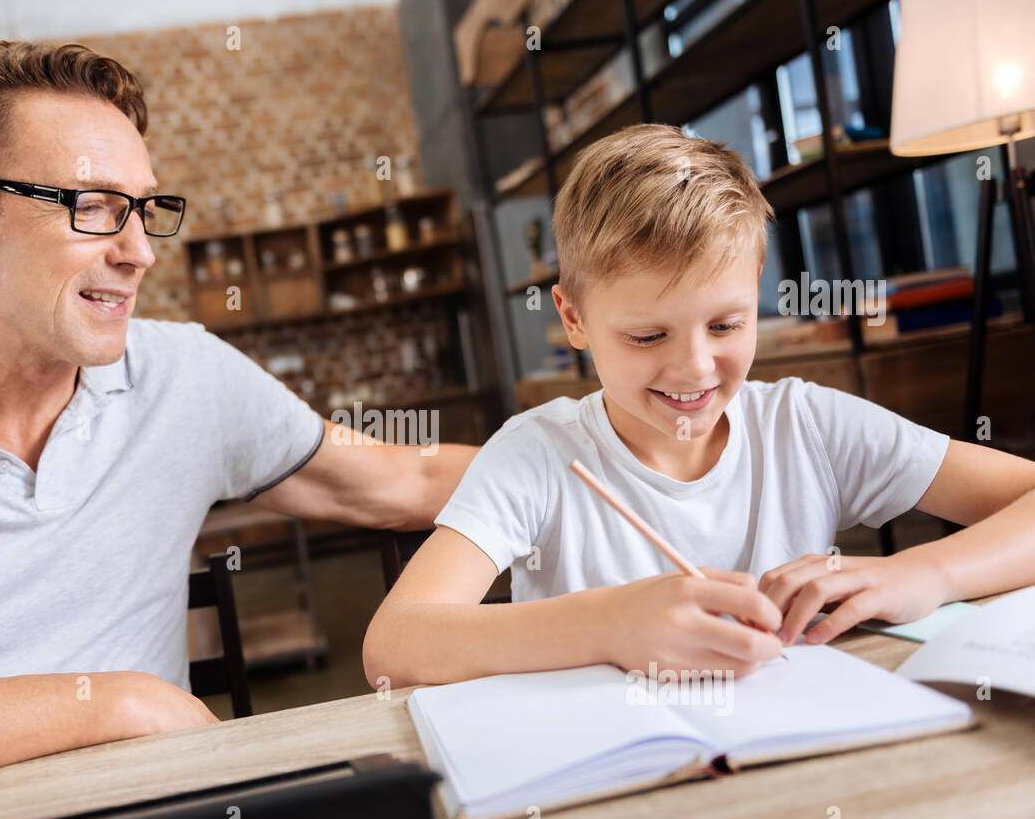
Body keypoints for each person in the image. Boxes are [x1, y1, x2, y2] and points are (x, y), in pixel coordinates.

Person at [0, 41, 475, 819]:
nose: (140, 252)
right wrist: (109, 708)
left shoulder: (185, 376)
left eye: (145, 207)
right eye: (91, 206)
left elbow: (410, 480)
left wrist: (598, 438)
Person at [364, 123, 1035, 690]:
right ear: (573, 318)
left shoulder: (807, 425)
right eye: (647, 335)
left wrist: (924, 571)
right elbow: (394, 643)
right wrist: (612, 623)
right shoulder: (539, 453)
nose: (694, 367)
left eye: (725, 326)